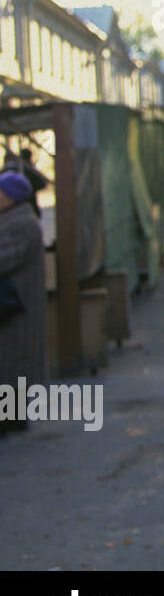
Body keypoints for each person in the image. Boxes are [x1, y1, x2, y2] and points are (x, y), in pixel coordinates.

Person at [0, 170, 46, 435]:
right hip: (12, 304)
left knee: (14, 363)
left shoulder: (22, 224)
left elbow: (6, 257)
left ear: (10, 197)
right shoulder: (13, 219)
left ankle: (11, 419)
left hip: (17, 306)